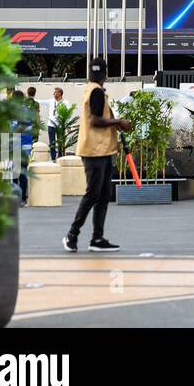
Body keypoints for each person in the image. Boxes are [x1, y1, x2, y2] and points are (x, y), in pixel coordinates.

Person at [64, 58, 130, 253]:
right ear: (106, 75)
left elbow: (98, 119)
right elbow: (95, 120)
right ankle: (72, 235)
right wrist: (119, 121)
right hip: (95, 150)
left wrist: (113, 122)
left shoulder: (90, 89)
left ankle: (97, 238)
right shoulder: (97, 92)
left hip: (102, 149)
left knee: (103, 195)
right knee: (93, 194)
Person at [36, 86, 59, 160]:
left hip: (60, 125)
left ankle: (61, 156)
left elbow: (68, 114)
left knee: (60, 142)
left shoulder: (65, 102)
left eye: (55, 92)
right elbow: (42, 101)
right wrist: (32, 99)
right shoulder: (51, 101)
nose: (53, 94)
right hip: (51, 125)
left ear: (59, 93)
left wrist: (68, 126)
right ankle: (53, 157)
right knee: (52, 142)